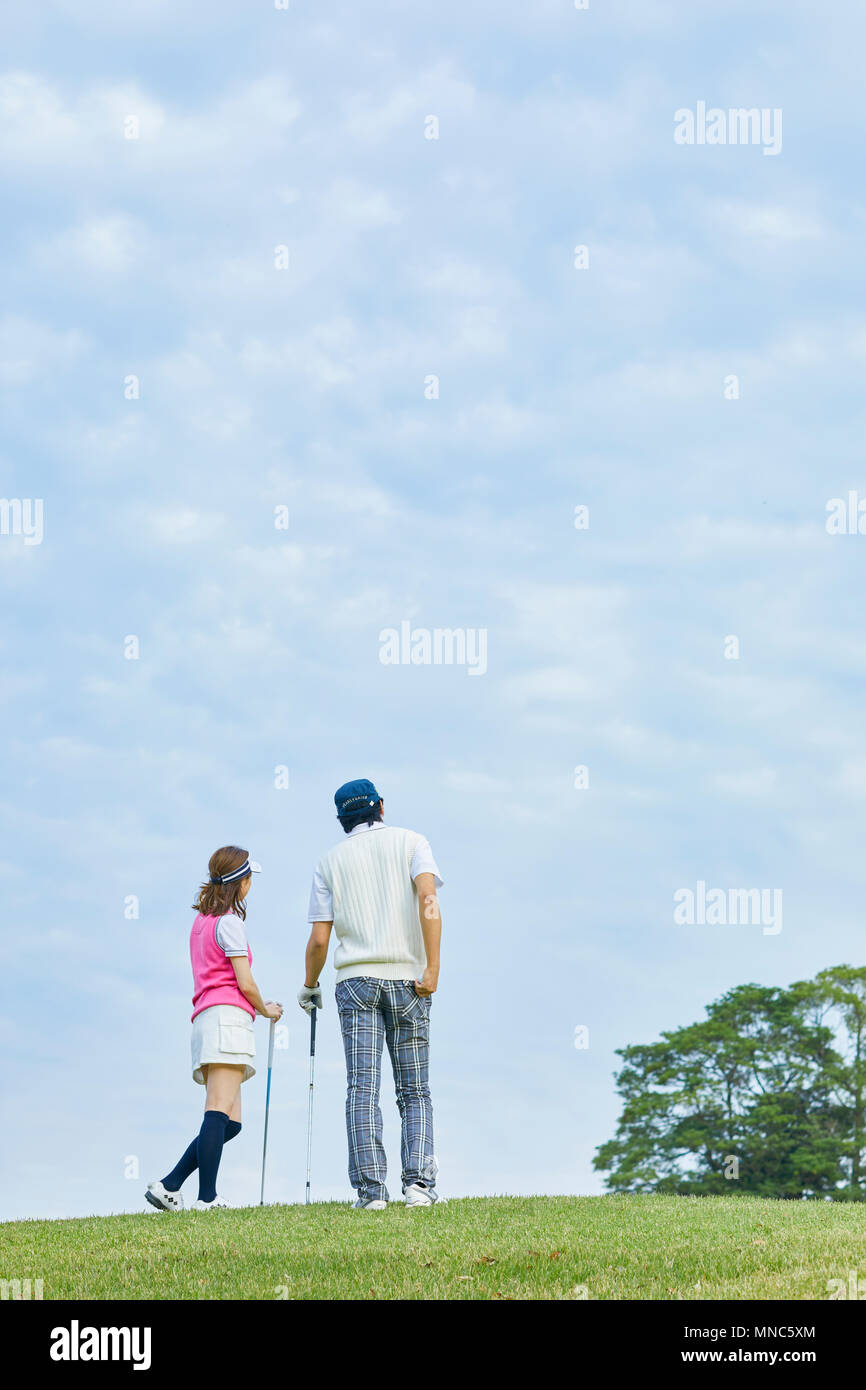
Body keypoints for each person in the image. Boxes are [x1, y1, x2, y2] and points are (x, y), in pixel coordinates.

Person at [300, 779, 443, 1209]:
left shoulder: (328, 862)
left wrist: (309, 985)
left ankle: (371, 1192)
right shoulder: (413, 842)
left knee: (362, 1088)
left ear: (341, 819)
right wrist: (433, 967)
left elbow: (320, 940)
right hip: (409, 979)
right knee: (414, 1090)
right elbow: (428, 899)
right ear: (381, 806)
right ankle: (418, 1186)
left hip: (356, 981)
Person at [146, 846, 283, 1212]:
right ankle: (207, 1198)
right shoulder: (230, 923)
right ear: (241, 883)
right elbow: (245, 982)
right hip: (227, 1020)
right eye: (249, 878)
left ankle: (169, 1185)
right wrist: (266, 1010)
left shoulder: (200, 923)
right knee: (217, 1111)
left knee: (230, 1123)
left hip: (208, 1020)